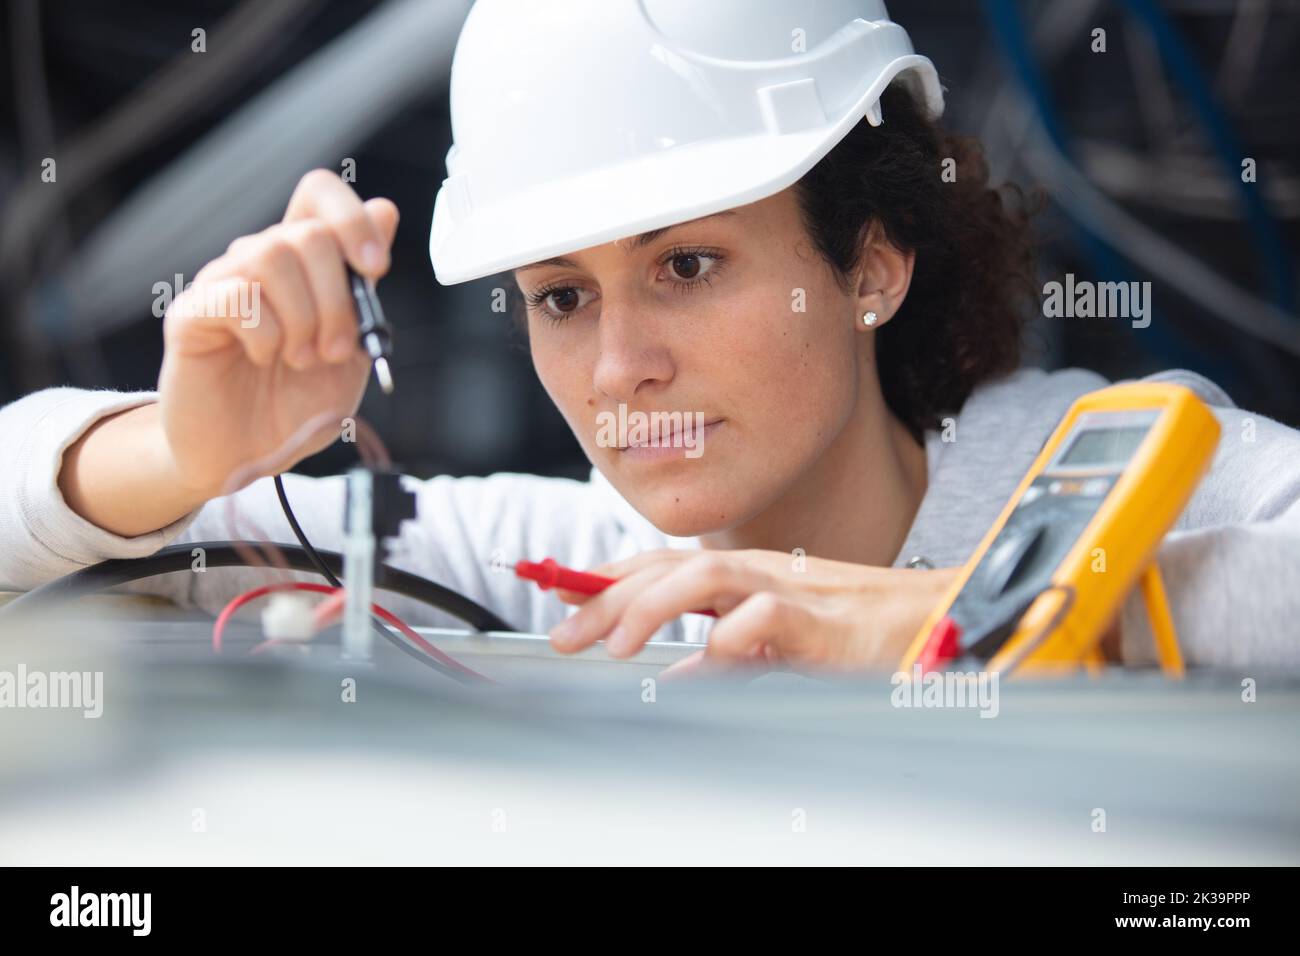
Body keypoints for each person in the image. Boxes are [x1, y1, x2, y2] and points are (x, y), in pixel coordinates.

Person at [1, 0, 1297, 673]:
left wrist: (954, 623)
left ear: (875, 265)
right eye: (563, 297)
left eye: (687, 265)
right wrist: (177, 453)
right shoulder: (569, 576)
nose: (620, 371)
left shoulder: (1129, 481)